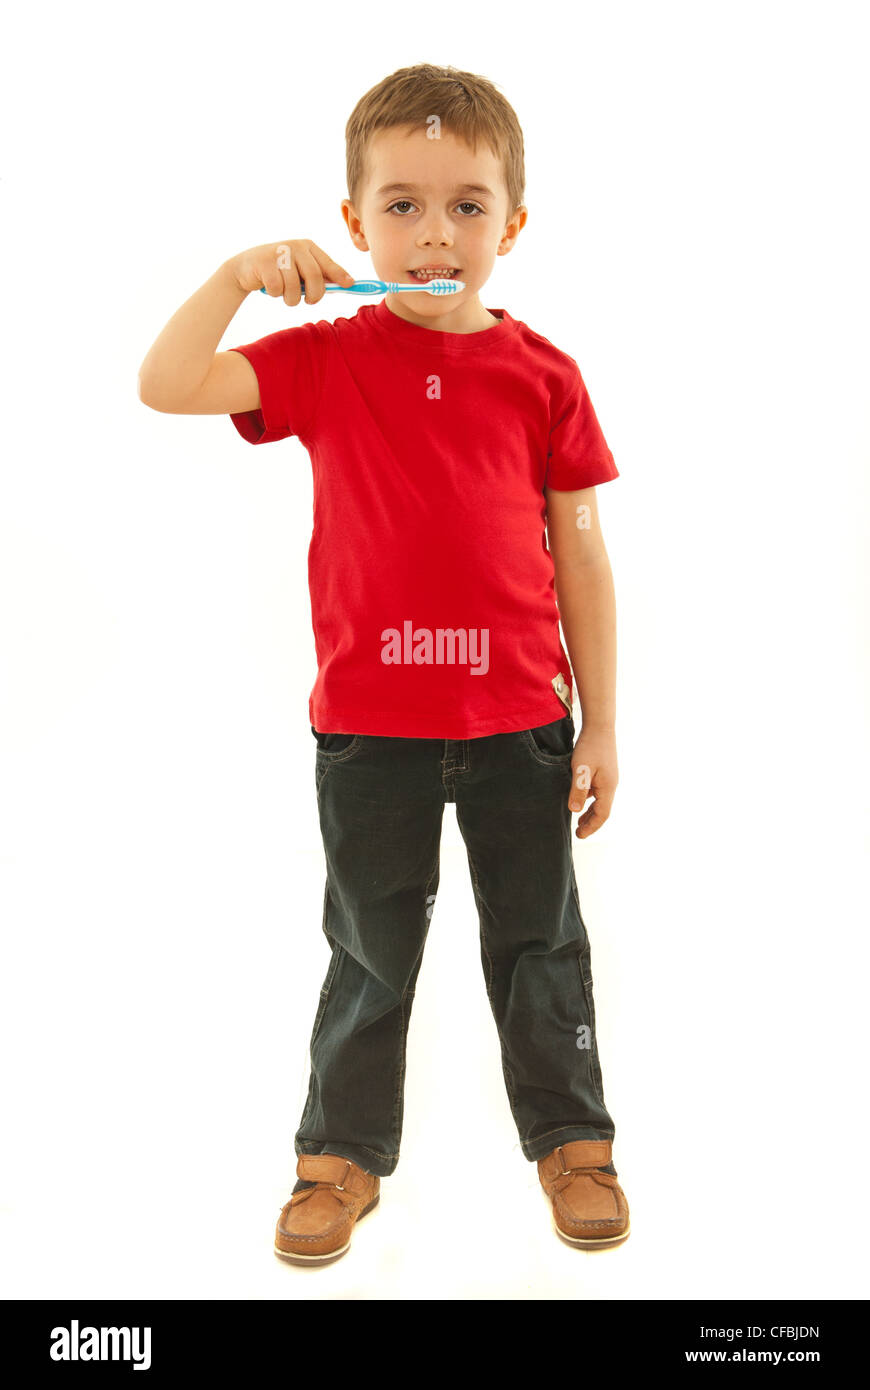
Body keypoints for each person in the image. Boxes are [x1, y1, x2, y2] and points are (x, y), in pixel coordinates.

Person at [138, 62, 630, 1264]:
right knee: (371, 948)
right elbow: (167, 385)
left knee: (539, 941)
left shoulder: (545, 376)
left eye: (467, 205)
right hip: (371, 728)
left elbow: (582, 558)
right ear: (354, 223)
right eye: (401, 205)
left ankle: (574, 1140)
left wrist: (602, 725)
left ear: (510, 224)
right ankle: (338, 1157)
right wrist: (237, 277)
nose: (433, 233)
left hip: (522, 722)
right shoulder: (321, 358)